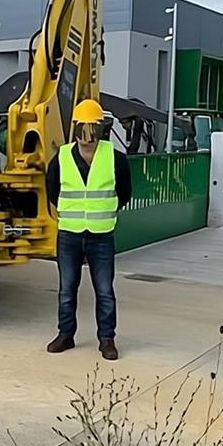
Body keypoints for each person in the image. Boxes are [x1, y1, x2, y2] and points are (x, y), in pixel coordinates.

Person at [45, 98, 132, 360]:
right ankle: (65, 335)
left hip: (101, 235)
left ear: (100, 129)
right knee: (66, 290)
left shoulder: (115, 158)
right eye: (83, 129)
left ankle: (107, 339)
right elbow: (52, 191)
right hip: (69, 234)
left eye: (91, 129)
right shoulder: (61, 158)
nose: (87, 137)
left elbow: (124, 193)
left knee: (104, 291)